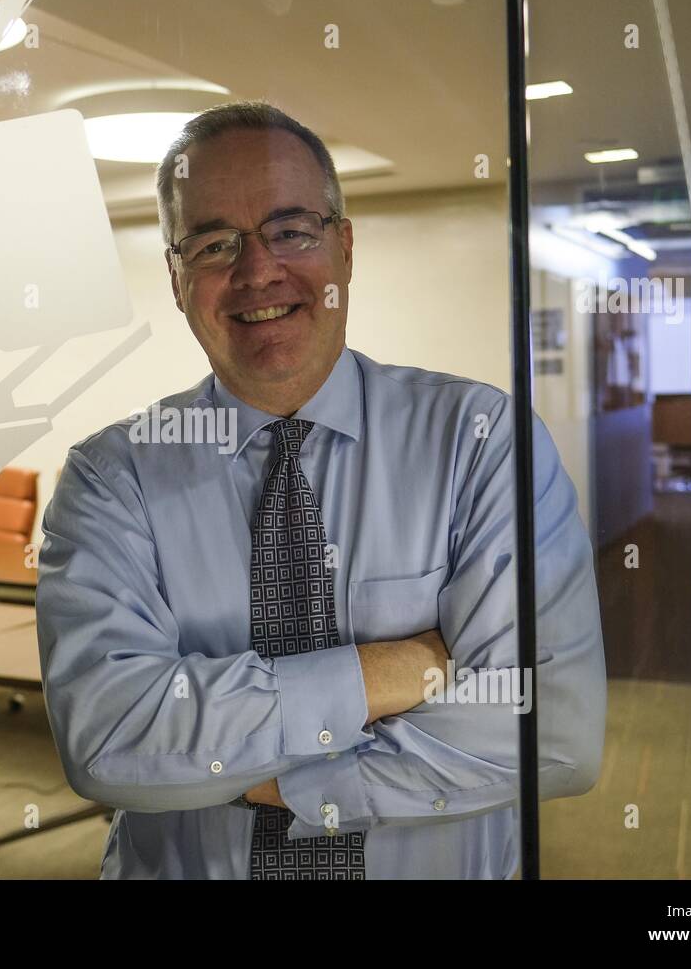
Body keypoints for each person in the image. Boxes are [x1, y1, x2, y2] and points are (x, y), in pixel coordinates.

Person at [35, 101, 606, 879]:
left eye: (291, 230)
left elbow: (555, 733)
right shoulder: (112, 478)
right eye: (214, 244)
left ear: (344, 247)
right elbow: (109, 740)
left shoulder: (481, 442)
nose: (257, 271)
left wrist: (288, 783)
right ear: (175, 278)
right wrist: (390, 671)